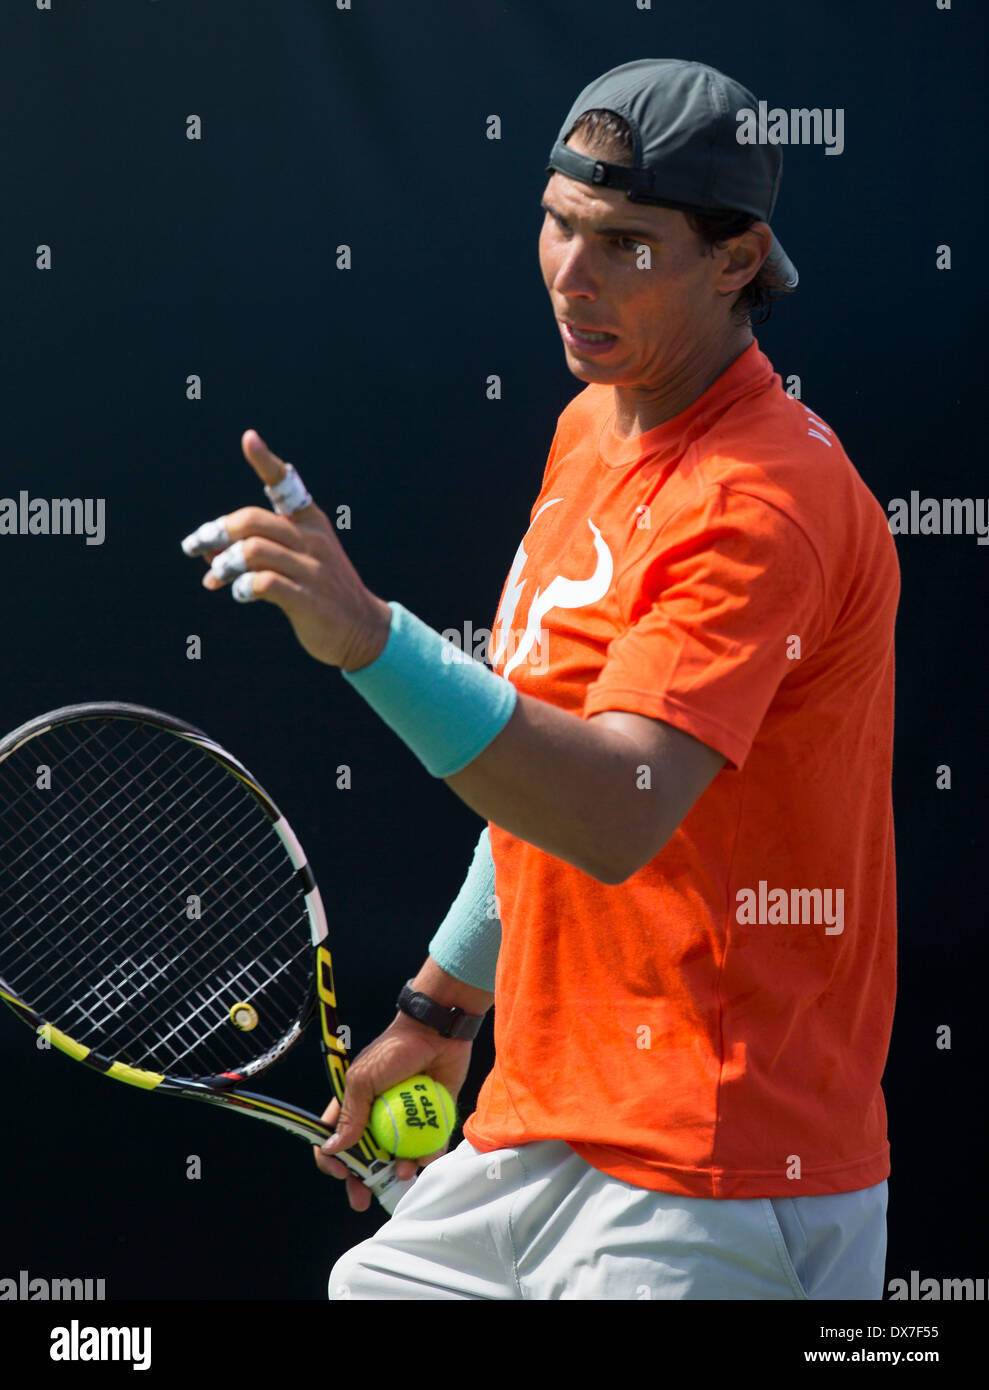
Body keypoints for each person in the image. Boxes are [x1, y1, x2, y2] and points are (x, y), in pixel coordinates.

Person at [182, 58, 899, 1300]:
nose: (571, 273)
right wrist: (441, 1008)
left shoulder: (757, 502)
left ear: (735, 260)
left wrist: (369, 639)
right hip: (545, 1116)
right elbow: (548, 756)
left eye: (625, 243)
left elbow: (611, 809)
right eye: (559, 226)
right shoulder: (596, 423)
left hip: (718, 1166)